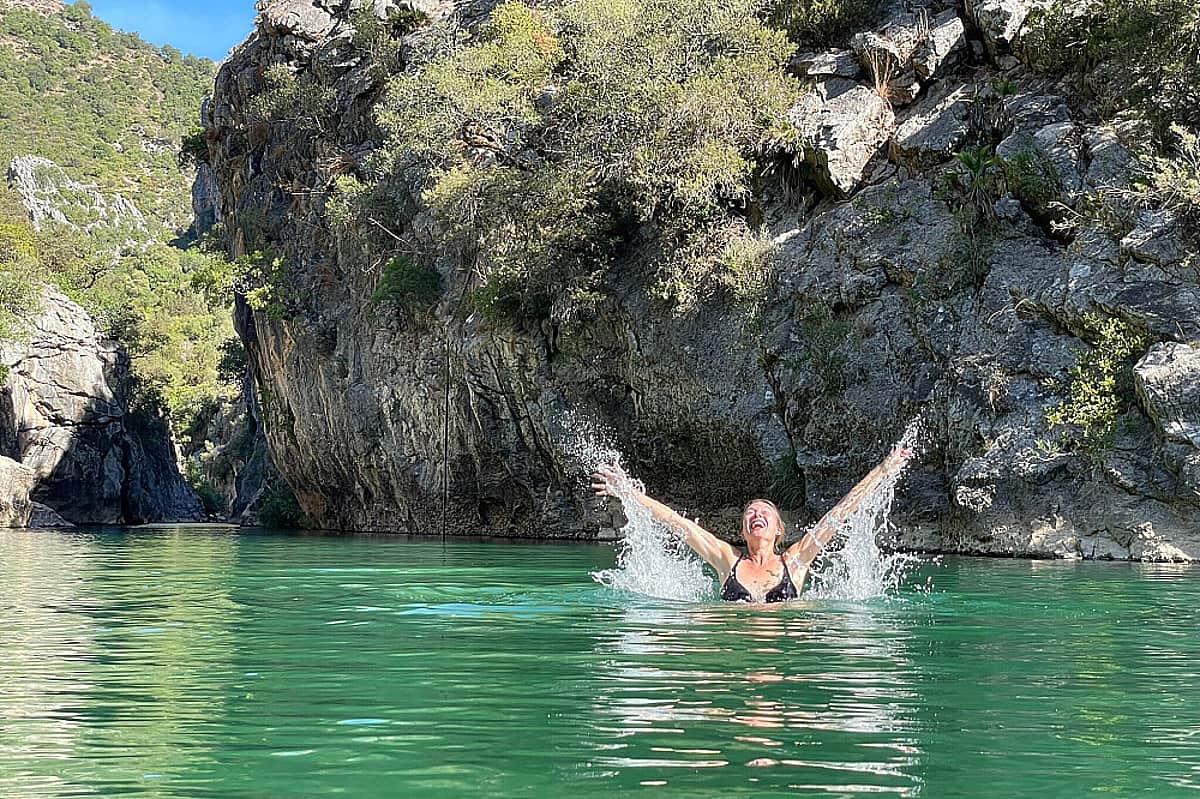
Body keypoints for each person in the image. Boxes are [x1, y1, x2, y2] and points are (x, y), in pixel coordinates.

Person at [591, 445, 913, 603]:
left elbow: (839, 514)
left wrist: (883, 472)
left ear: (778, 530)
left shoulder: (796, 560)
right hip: (734, 648)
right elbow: (679, 524)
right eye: (750, 513)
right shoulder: (726, 559)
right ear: (743, 530)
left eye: (765, 513)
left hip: (783, 651)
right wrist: (628, 493)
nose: (756, 515)